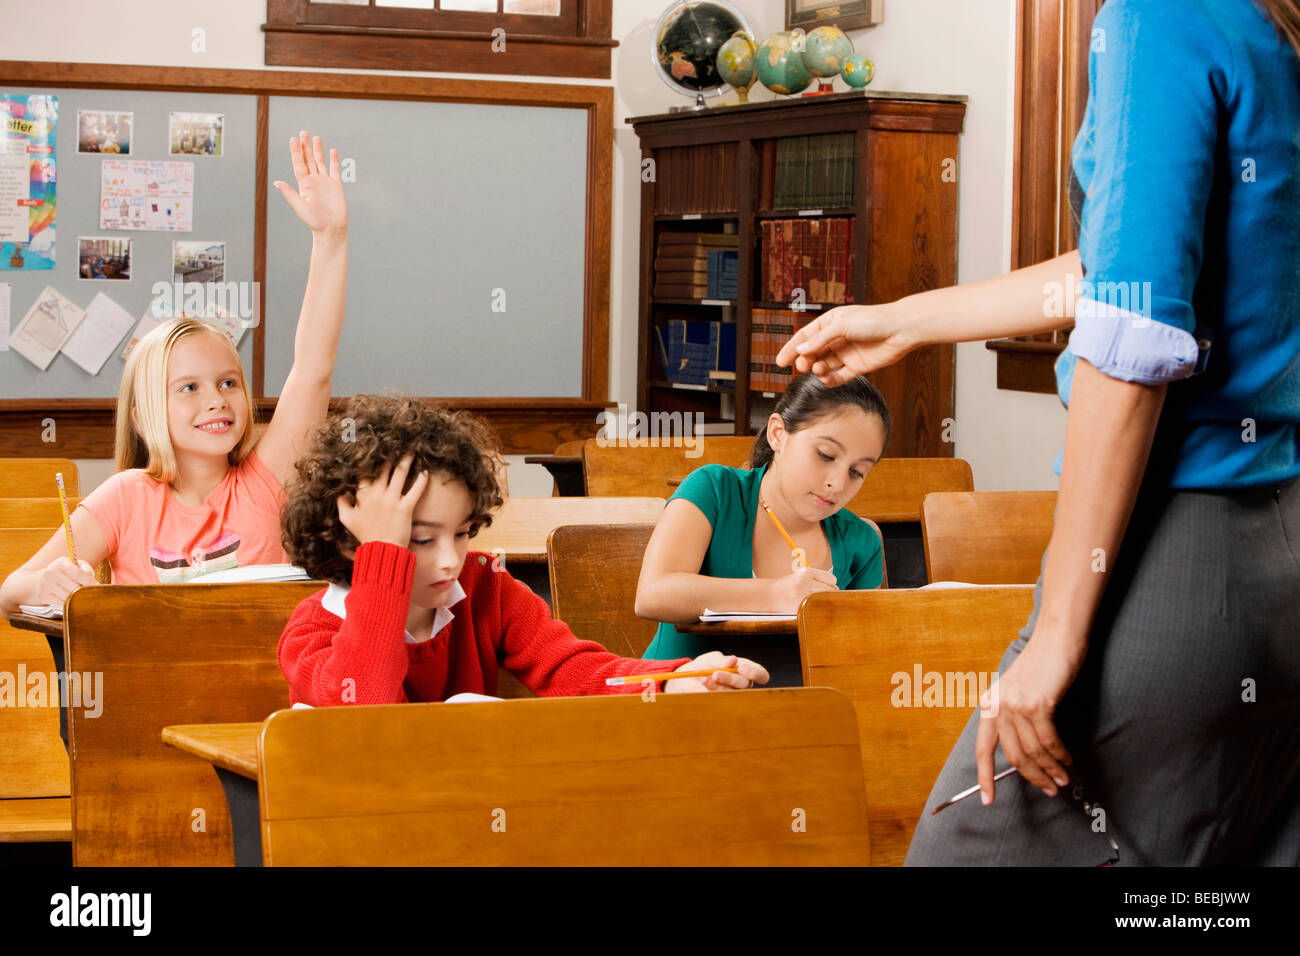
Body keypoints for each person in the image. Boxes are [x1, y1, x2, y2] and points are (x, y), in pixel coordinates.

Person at [779, 0, 1300, 865]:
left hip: (1182, 554)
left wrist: (1058, 631)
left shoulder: (1158, 16)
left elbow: (1132, 336)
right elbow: (1126, 264)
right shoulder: (1268, 23)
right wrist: (909, 319)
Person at [0, 132, 350, 613]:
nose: (217, 399)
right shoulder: (126, 497)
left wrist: (330, 238)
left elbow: (313, 368)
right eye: (189, 387)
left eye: (229, 382)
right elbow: (9, 592)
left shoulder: (264, 483)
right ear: (145, 416)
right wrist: (46, 585)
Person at [277, 395, 770, 704]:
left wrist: (673, 679)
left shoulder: (483, 585)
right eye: (421, 540)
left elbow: (570, 668)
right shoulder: (311, 632)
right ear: (348, 536)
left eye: (464, 532)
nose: (450, 559)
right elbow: (364, 701)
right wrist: (382, 555)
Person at [635, 373, 889, 685]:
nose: (837, 483)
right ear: (778, 433)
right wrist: (775, 593)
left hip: (798, 718)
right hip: (679, 704)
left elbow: (865, 655)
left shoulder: (861, 540)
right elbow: (652, 594)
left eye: (857, 471)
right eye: (825, 455)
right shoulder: (715, 489)